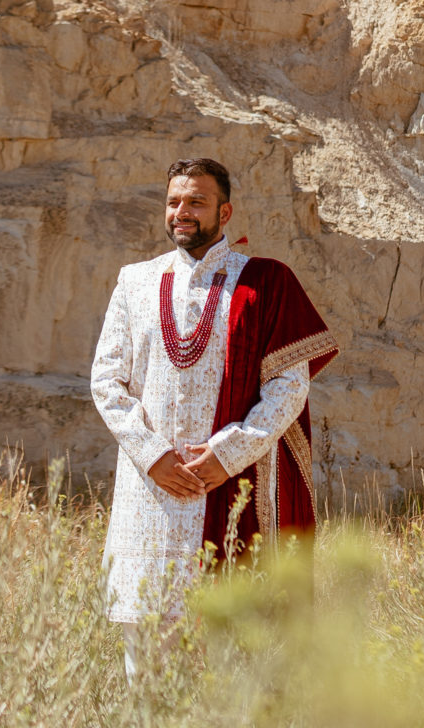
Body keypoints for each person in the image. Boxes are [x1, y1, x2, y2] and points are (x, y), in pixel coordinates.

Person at [89, 158, 338, 679]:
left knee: (234, 658)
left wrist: (228, 456)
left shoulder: (265, 283)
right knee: (146, 653)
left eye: (196, 201)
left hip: (232, 486)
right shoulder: (135, 282)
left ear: (225, 212)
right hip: (149, 492)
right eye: (174, 201)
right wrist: (152, 456)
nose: (182, 211)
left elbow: (290, 386)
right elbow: (106, 381)